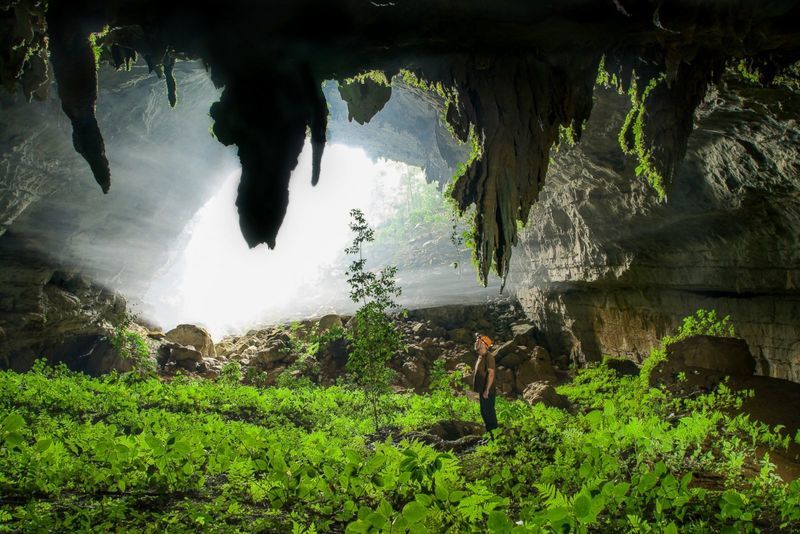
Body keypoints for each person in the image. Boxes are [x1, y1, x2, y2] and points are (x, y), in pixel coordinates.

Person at [472, 333, 498, 439]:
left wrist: (487, 390)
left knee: (489, 413)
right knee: (484, 412)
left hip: (487, 391)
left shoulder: (489, 357)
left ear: (484, 345)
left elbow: (491, 374)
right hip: (481, 390)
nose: (476, 343)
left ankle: (495, 436)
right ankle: (490, 435)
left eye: (479, 342)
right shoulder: (481, 356)